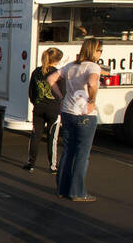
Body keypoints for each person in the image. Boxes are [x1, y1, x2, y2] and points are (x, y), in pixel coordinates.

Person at [56, 38, 103, 202]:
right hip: (85, 115)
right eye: (99, 51)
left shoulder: (70, 66)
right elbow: (92, 82)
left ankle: (62, 188)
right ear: (93, 51)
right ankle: (77, 192)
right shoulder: (93, 66)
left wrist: (60, 96)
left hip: (68, 111)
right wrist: (92, 100)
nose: (100, 54)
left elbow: (51, 79)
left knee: (67, 151)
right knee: (82, 154)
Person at [25, 47, 63, 172]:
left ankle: (31, 163)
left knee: (35, 135)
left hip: (39, 107)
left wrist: (36, 102)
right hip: (53, 109)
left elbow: (31, 92)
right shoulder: (58, 74)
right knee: (52, 138)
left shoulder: (36, 72)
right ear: (57, 60)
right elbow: (63, 93)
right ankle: (52, 166)